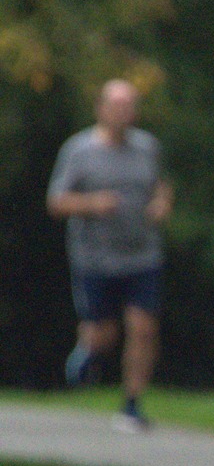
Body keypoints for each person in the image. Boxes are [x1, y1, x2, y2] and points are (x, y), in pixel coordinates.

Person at [47, 79, 173, 433]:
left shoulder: (148, 147)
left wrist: (162, 204)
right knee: (104, 332)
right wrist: (92, 204)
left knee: (144, 328)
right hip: (95, 257)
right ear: (101, 109)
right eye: (117, 105)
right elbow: (56, 201)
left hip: (142, 254)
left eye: (130, 105)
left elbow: (161, 185)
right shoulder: (79, 150)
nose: (125, 112)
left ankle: (132, 404)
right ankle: (88, 350)